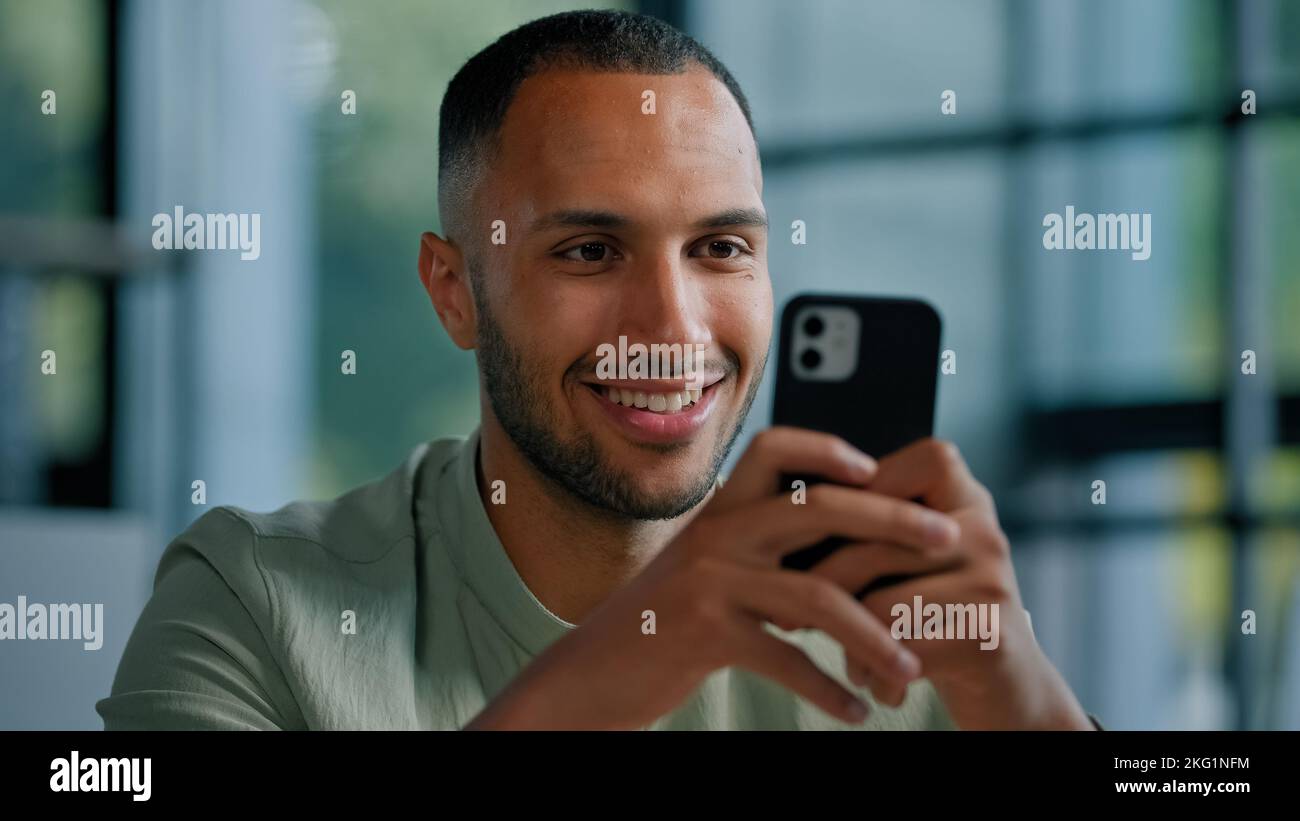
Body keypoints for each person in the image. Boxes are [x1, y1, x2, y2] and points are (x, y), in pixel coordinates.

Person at [97, 9, 1095, 731]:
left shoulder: (892, 627)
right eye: (588, 251)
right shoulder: (251, 604)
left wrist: (1022, 700)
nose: (671, 325)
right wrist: (643, 647)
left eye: (721, 248)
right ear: (453, 291)